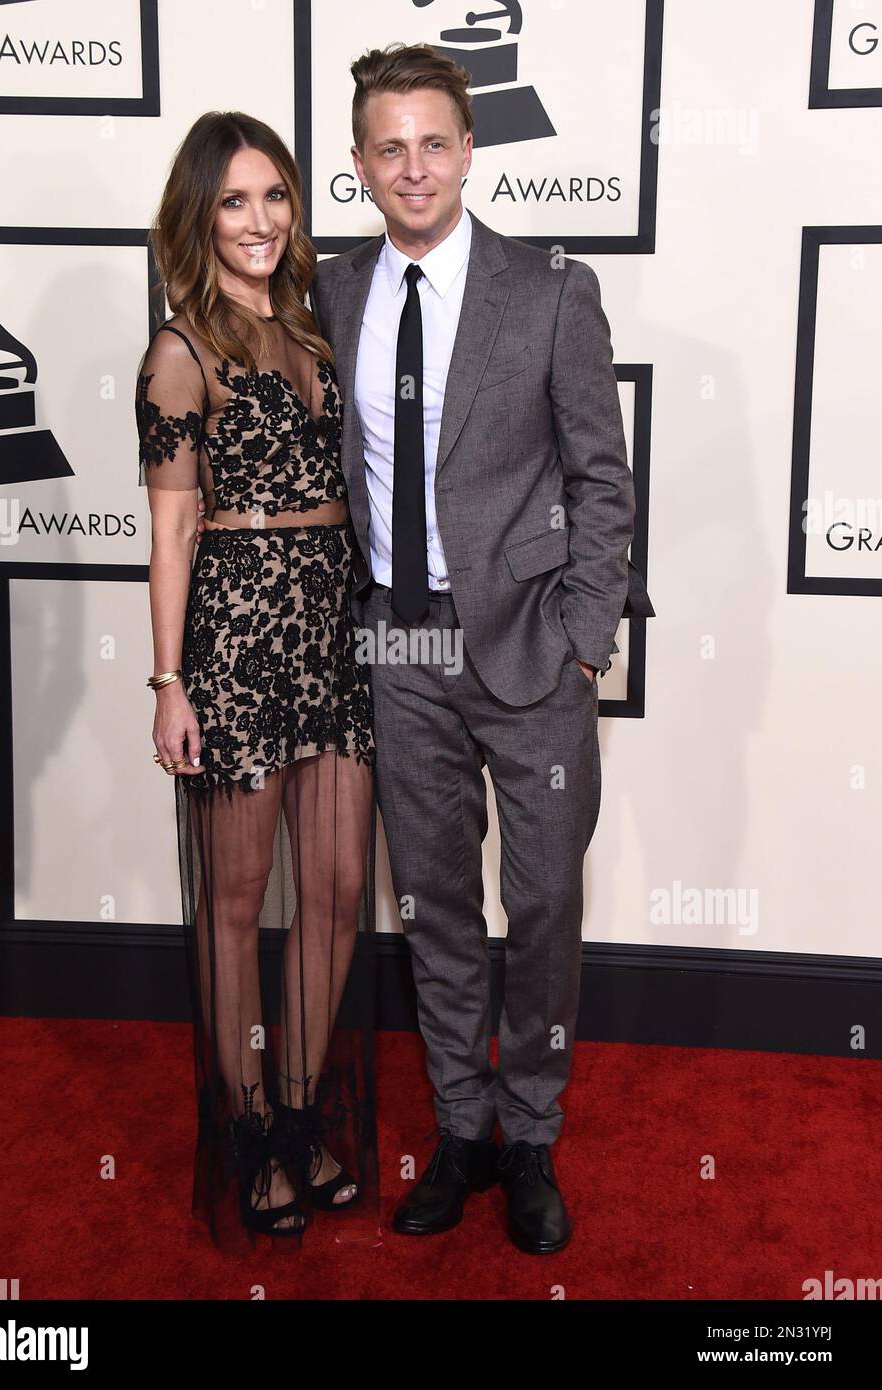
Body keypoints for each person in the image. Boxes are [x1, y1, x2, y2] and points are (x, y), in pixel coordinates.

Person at [306, 43, 655, 1255]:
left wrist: (580, 638)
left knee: (545, 902)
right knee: (438, 905)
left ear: (469, 150)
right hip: (398, 644)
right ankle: (462, 1129)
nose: (414, 167)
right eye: (387, 148)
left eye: (433, 142)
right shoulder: (335, 292)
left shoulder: (549, 290)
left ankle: (534, 1135)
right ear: (359, 167)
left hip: (529, 647)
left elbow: (600, 479)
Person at [135, 111, 377, 1253]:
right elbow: (173, 525)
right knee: (239, 904)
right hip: (235, 638)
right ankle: (243, 1128)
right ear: (200, 216)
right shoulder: (182, 350)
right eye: (234, 201)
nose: (261, 220)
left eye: (275, 195)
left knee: (331, 891)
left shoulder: (323, 328)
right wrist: (170, 680)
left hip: (334, 627)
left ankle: (296, 1108)